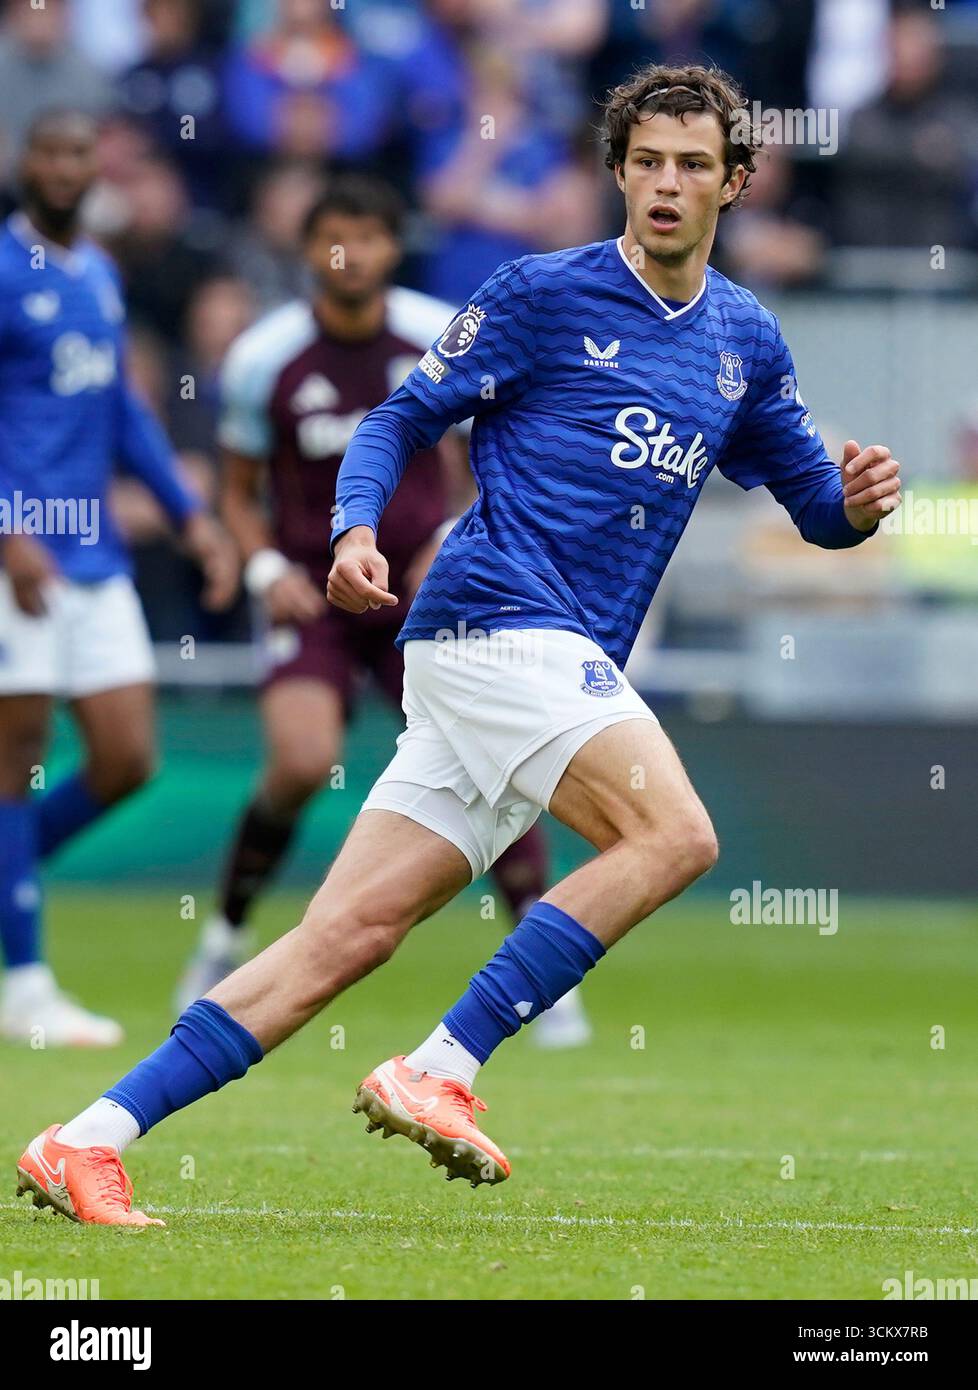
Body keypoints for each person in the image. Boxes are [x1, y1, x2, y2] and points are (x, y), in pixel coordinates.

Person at [16, 65, 902, 1224]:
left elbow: (814, 508)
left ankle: (87, 1137)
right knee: (676, 833)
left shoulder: (745, 338)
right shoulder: (543, 293)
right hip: (499, 618)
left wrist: (859, 504)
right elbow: (400, 417)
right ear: (618, 173)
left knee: (346, 936)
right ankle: (443, 1063)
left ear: (736, 181)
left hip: (520, 658)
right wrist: (352, 528)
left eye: (694, 164)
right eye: (647, 163)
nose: (668, 184)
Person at [173, 175, 584, 1048]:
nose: (350, 255)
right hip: (314, 591)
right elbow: (238, 491)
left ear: (394, 248)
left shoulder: (442, 331)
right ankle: (225, 938)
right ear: (308, 249)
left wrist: (458, 534)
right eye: (333, 238)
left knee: (494, 756)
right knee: (301, 761)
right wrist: (258, 567)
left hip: (431, 593)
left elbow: (493, 457)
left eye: (368, 237)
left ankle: (541, 969)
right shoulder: (264, 357)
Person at [0, 110, 234, 1047]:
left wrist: (189, 515)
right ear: (27, 165)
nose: (66, 167)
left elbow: (125, 415)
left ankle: (7, 882)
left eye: (79, 153)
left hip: (94, 550)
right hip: (24, 550)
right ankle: (24, 983)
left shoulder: (97, 273)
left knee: (127, 756)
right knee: (16, 760)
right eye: (52, 152)